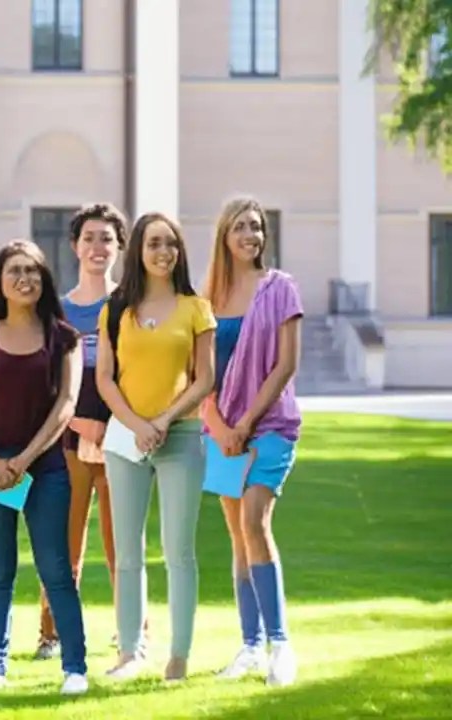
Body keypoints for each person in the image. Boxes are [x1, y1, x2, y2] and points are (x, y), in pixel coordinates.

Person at [0, 241, 89, 696]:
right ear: (0, 281)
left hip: (47, 468)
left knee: (55, 567)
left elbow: (66, 406)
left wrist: (23, 461)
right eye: (15, 271)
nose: (25, 279)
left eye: (33, 271)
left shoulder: (64, 337)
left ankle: (75, 668)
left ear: (44, 280)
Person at [96, 212, 216, 683]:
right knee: (126, 552)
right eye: (153, 243)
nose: (163, 251)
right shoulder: (116, 309)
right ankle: (129, 651)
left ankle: (179, 655)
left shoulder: (195, 308)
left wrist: (162, 421)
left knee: (178, 550)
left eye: (171, 243)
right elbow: (104, 378)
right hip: (125, 439)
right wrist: (136, 424)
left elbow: (205, 377)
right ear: (138, 252)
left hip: (180, 437)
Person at [201, 196, 304, 687]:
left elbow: (286, 365)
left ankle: (280, 646)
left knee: (254, 522)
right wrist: (220, 427)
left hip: (271, 426)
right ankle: (249, 645)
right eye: (240, 227)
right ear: (224, 235)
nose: (250, 235)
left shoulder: (280, 289)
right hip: (221, 432)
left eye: (257, 227)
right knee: (237, 538)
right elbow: (197, 375)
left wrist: (247, 422)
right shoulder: (209, 299)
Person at [37, 203, 144, 657]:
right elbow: (48, 382)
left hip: (123, 438)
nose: (98, 247)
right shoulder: (58, 312)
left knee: (123, 545)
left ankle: (133, 633)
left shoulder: (131, 307)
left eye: (107, 239)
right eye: (89, 238)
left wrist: (114, 427)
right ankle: (51, 634)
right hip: (69, 438)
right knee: (64, 544)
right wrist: (81, 425)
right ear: (75, 246)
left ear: (120, 247)